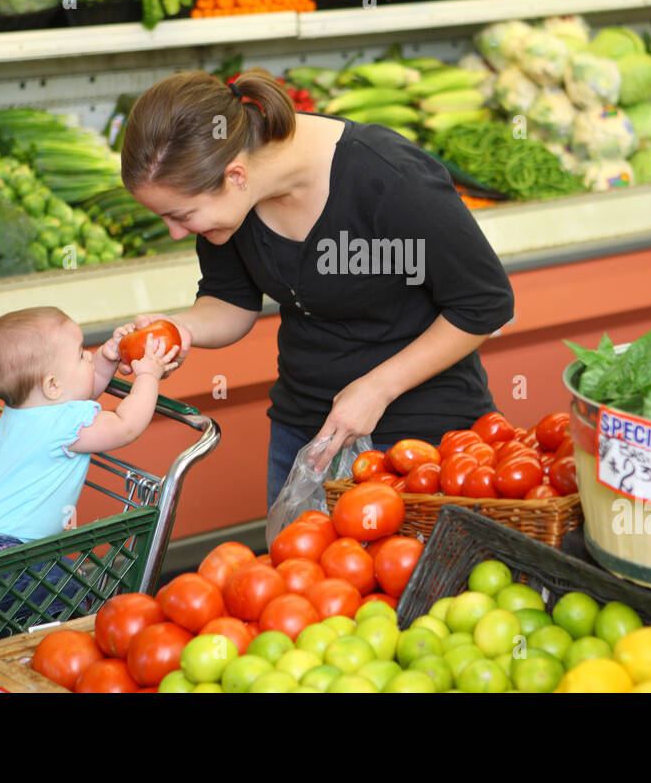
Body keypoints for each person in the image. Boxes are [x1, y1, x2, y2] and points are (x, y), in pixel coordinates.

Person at [118, 67, 515, 507]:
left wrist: (377, 388)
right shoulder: (231, 203)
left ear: (234, 176)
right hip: (302, 430)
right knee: (298, 574)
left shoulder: (387, 176)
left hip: (419, 439)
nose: (176, 233)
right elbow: (230, 299)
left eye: (182, 215)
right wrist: (179, 328)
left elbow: (485, 302)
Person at [0, 306, 176, 611]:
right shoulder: (66, 424)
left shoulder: (20, 411)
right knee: (72, 605)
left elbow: (78, 390)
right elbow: (126, 426)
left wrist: (106, 358)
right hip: (2, 554)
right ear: (52, 385)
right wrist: (149, 375)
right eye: (82, 353)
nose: (89, 356)